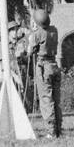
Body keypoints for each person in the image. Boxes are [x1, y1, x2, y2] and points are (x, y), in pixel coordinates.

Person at [26, 8, 62, 138]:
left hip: (43, 67)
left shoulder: (36, 34)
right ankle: (58, 129)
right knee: (56, 99)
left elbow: (30, 51)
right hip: (54, 65)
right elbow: (42, 22)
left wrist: (31, 36)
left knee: (46, 99)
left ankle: (51, 131)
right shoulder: (54, 31)